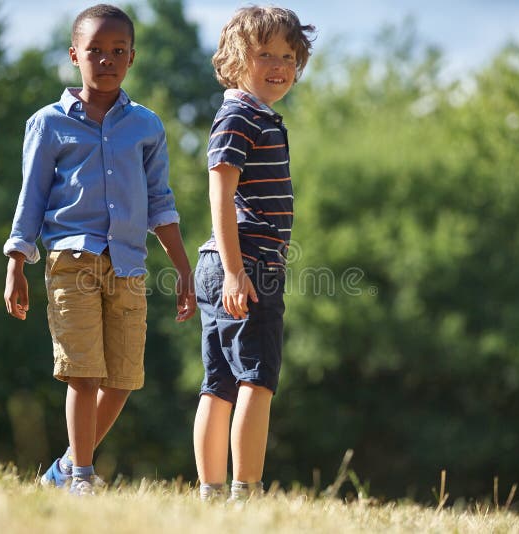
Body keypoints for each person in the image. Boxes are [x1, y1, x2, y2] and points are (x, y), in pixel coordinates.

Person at [3, 4, 196, 496]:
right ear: (74, 55)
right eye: (95, 50)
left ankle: (66, 467)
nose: (106, 59)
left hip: (128, 264)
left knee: (124, 378)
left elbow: (161, 202)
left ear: (132, 57)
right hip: (71, 261)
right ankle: (83, 478)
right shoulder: (47, 124)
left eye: (117, 50)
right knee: (83, 374)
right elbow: (31, 198)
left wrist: (183, 269)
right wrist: (16, 263)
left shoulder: (147, 127)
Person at [193, 6, 315, 501]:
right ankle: (246, 495)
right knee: (257, 380)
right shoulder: (241, 115)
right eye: (265, 54)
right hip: (245, 264)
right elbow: (219, 193)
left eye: (288, 56)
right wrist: (234, 271)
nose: (279, 66)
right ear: (235, 59)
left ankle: (211, 494)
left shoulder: (256, 115)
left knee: (219, 384)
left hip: (229, 263)